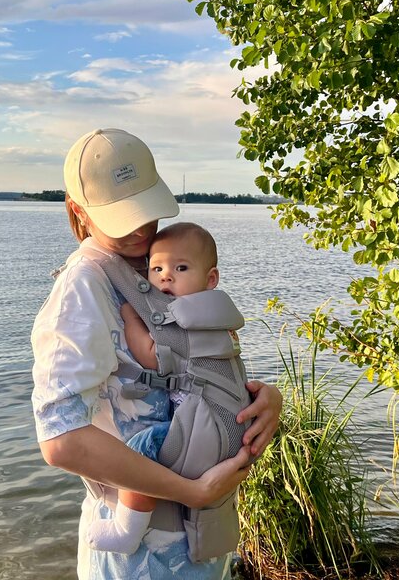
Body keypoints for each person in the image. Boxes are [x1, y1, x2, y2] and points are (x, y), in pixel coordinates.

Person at [31, 128, 282, 579]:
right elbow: (61, 440)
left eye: (145, 212)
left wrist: (264, 398)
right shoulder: (83, 289)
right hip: (139, 557)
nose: (140, 230)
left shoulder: (152, 267)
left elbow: (194, 364)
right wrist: (191, 492)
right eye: (121, 217)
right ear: (78, 211)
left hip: (195, 542)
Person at [87, 221, 240, 555]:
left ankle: (128, 530)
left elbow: (151, 356)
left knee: (141, 450)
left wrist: (130, 319)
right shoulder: (215, 318)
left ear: (210, 279)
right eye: (156, 269)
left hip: (204, 428)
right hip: (218, 423)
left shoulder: (186, 324)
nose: (165, 277)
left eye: (180, 268)